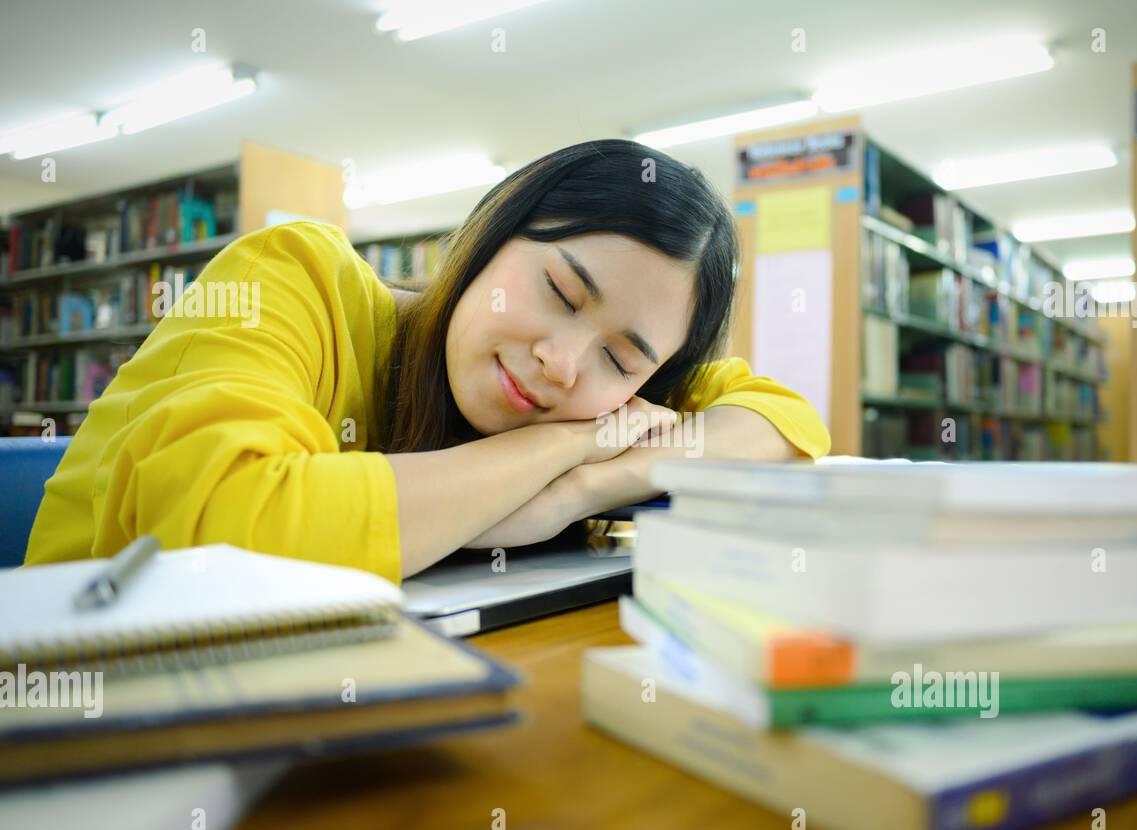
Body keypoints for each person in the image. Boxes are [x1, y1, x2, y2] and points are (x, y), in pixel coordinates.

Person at [24, 139, 830, 583]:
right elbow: (231, 536)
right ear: (488, 233)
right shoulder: (294, 278)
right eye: (558, 289)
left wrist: (583, 491)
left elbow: (788, 424)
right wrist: (564, 446)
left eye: (621, 360)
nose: (561, 364)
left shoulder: (620, 394)